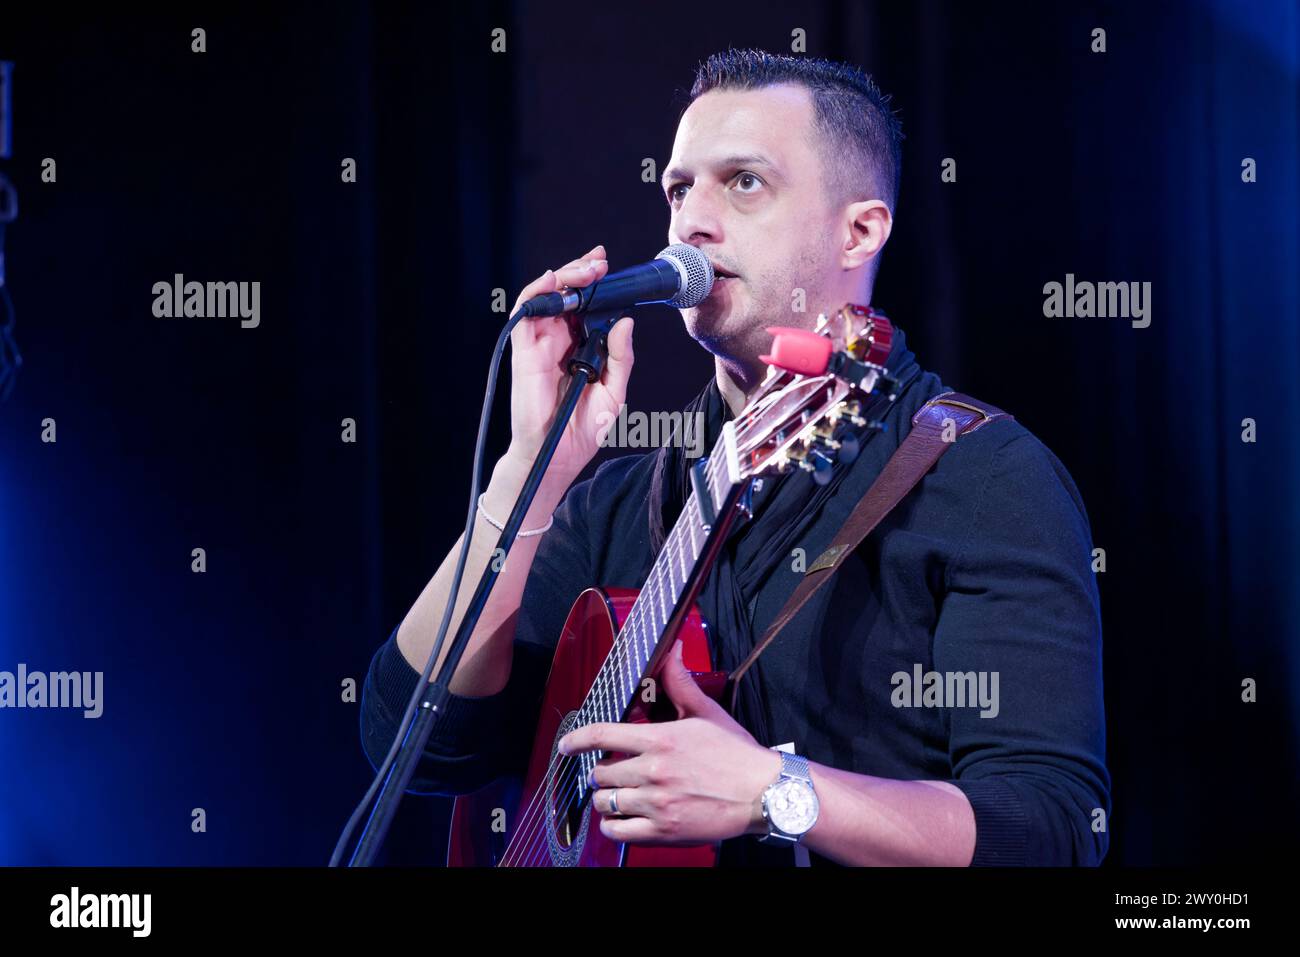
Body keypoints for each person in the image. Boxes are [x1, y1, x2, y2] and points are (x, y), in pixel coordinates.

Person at [360, 48, 1110, 866]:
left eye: (743, 183)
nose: (691, 223)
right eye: (680, 190)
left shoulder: (982, 476)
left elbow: (1052, 829)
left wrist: (776, 792)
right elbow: (417, 746)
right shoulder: (615, 505)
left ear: (860, 229)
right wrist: (528, 467)